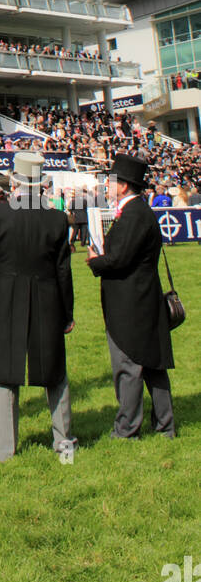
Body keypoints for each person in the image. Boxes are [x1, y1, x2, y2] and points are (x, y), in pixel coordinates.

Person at [0, 152, 77, 462]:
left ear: (14, 181)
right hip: (48, 300)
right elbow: (63, 272)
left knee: (6, 373)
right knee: (55, 373)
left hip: (8, 298)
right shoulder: (57, 217)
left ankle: (4, 449)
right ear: (42, 183)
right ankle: (64, 443)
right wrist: (67, 313)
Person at [86, 153, 175, 439]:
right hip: (141, 299)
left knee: (129, 366)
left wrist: (95, 261)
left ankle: (127, 429)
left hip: (131, 304)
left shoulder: (135, 213)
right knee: (152, 365)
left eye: (111, 181)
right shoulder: (137, 211)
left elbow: (119, 259)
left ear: (124, 185)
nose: (108, 186)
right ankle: (164, 425)